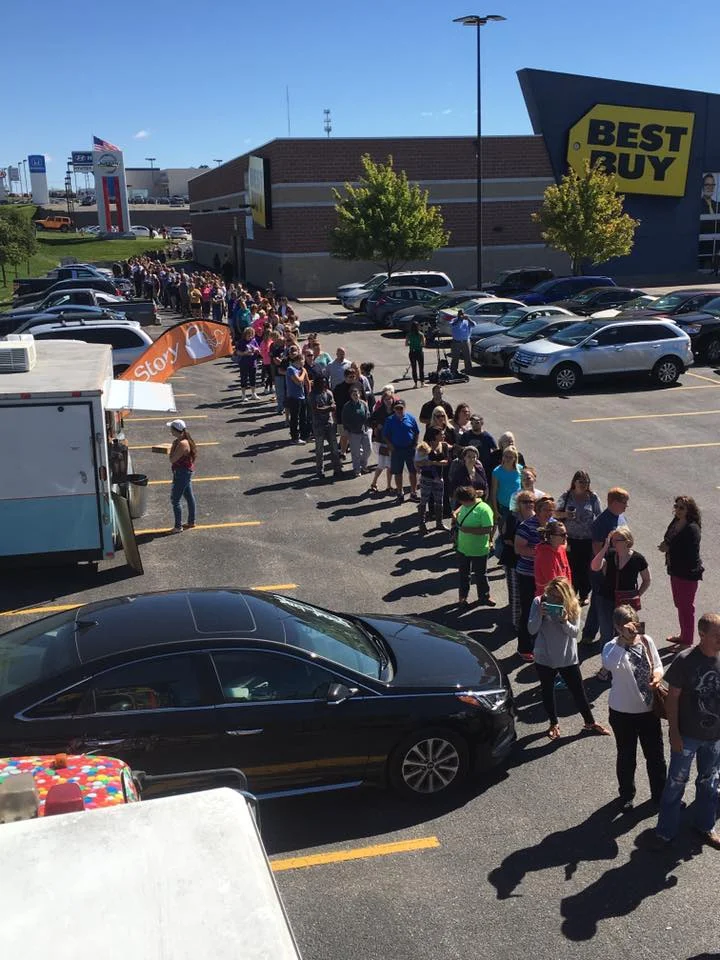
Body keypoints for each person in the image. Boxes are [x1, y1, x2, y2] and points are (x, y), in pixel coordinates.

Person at [650, 613, 720, 851]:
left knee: (710, 782)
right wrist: (674, 732)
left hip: (715, 738)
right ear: (702, 635)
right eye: (717, 635)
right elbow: (672, 699)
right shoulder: (685, 659)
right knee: (676, 783)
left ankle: (705, 825)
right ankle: (665, 831)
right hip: (688, 735)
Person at [602, 606, 666, 811]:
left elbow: (657, 664)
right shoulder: (612, 647)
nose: (632, 632)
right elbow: (609, 664)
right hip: (622, 714)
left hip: (648, 712)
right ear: (617, 627)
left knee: (655, 756)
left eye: (634, 626)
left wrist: (657, 677)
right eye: (626, 627)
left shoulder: (647, 641)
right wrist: (623, 641)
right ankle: (627, 795)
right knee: (627, 756)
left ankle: (660, 794)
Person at [529, 577, 610, 740]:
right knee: (547, 690)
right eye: (550, 595)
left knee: (578, 691)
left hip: (567, 657)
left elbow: (574, 633)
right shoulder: (538, 602)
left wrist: (564, 621)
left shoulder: (573, 605)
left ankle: (590, 722)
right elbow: (531, 629)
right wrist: (540, 615)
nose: (553, 600)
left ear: (565, 597)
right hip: (544, 656)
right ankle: (553, 723)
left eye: (558, 598)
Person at [582, 487, 630, 644]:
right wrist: (604, 567)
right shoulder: (601, 522)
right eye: (624, 502)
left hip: (617, 567)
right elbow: (596, 547)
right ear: (614, 502)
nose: (626, 506)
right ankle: (589, 633)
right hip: (602, 569)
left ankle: (602, 632)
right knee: (599, 599)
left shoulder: (621, 518)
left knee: (604, 600)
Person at [590, 525, 650, 649]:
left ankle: (621, 663)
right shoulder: (610, 554)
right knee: (606, 634)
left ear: (627, 542)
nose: (613, 543)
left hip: (626, 604)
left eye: (616, 540)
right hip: (605, 598)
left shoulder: (638, 559)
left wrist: (638, 594)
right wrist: (605, 547)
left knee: (625, 634)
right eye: (612, 540)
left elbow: (647, 579)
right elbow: (595, 567)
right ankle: (607, 665)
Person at [659, 496, 704, 649]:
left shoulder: (692, 528)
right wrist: (666, 544)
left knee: (686, 607)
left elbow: (689, 553)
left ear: (689, 510)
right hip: (675, 571)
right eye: (676, 506)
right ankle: (683, 635)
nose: (677, 510)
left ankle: (687, 641)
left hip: (687, 574)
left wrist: (669, 547)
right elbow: (669, 537)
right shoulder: (676, 522)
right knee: (680, 604)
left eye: (681, 508)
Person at [515, 496, 556, 662]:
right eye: (546, 510)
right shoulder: (526, 526)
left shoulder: (553, 525)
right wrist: (541, 551)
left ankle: (540, 644)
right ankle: (524, 647)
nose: (549, 513)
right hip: (528, 575)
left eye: (551, 510)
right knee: (528, 610)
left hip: (548, 576)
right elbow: (519, 548)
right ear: (537, 510)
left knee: (546, 611)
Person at [555, 471, 602, 606]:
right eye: (580, 481)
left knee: (586, 567)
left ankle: (584, 594)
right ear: (574, 482)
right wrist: (565, 514)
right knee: (571, 566)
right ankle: (571, 592)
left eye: (586, 482)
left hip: (587, 539)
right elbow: (555, 513)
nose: (583, 484)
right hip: (570, 539)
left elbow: (599, 516)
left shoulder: (593, 497)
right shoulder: (567, 496)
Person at [453, 486, 495, 607]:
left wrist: (468, 530)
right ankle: (462, 597)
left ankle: (484, 596)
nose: (460, 504)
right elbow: (457, 510)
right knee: (463, 574)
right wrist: (455, 515)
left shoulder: (484, 509)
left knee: (481, 574)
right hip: (462, 548)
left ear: (466, 500)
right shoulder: (464, 506)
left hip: (479, 549)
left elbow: (488, 529)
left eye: (461, 501)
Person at [502, 492, 535, 632]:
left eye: (531, 501)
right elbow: (507, 539)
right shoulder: (512, 518)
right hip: (513, 561)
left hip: (531, 562)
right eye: (524, 501)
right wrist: (522, 545)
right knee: (516, 594)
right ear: (518, 503)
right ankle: (517, 623)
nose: (528, 504)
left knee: (529, 594)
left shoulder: (536, 518)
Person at [382, 399, 420, 503]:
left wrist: (415, 444)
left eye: (401, 408)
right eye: (397, 408)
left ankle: (413, 493)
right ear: (394, 409)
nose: (399, 410)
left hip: (409, 449)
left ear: (404, 408)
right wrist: (390, 445)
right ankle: (400, 492)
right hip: (397, 450)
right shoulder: (389, 420)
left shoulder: (410, 418)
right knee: (398, 473)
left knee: (413, 472)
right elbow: (385, 435)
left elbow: (416, 432)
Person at [415, 428, 450, 534]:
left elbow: (446, 461)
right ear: (434, 436)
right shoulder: (425, 446)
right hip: (426, 478)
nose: (443, 435)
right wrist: (431, 463)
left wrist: (433, 463)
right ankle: (422, 524)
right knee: (424, 500)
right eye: (441, 434)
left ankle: (439, 523)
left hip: (439, 477)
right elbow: (418, 463)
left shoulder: (444, 446)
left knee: (439, 501)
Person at [167, 419, 197, 533]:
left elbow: (172, 459)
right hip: (185, 472)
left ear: (175, 430)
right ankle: (191, 521)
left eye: (171, 428)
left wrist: (172, 448)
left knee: (175, 500)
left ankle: (178, 526)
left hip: (182, 473)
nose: (170, 430)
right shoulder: (181, 441)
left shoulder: (182, 444)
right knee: (189, 496)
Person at [309, 376, 342, 479]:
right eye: (321, 383)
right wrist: (329, 408)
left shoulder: (328, 393)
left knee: (334, 448)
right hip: (318, 424)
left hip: (329, 424)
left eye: (324, 382)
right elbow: (316, 409)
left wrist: (327, 408)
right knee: (319, 449)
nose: (323, 385)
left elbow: (334, 406)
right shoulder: (312, 395)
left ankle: (337, 469)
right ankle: (319, 471)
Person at [368, 386, 397, 495]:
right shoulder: (380, 411)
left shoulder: (396, 409)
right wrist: (377, 425)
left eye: (390, 399)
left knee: (390, 465)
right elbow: (370, 421)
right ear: (383, 401)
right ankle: (374, 483)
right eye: (386, 399)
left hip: (393, 441)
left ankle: (389, 485)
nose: (389, 401)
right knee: (381, 464)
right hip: (383, 441)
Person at [534, 522, 572, 596]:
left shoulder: (560, 548)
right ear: (551, 536)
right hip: (550, 598)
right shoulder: (545, 555)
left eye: (566, 533)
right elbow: (552, 582)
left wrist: (569, 590)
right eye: (562, 535)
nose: (566, 536)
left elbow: (568, 571)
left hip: (563, 593)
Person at [342, 386, 372, 477]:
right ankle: (357, 469)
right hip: (353, 432)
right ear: (350, 395)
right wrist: (347, 429)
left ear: (360, 394)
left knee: (368, 449)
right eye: (354, 394)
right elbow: (344, 419)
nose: (356, 396)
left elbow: (368, 414)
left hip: (364, 430)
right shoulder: (347, 406)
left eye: (357, 394)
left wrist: (368, 425)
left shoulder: (363, 404)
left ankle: (363, 465)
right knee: (355, 452)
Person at [491, 445, 522, 526]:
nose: (507, 459)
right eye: (506, 456)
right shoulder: (497, 471)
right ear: (503, 457)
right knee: (503, 531)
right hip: (503, 507)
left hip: (517, 507)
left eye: (510, 457)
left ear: (515, 458)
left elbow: (524, 487)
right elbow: (493, 492)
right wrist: (495, 510)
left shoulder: (520, 470)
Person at [285, 346, 310, 445]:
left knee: (303, 417)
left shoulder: (300, 369)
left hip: (302, 396)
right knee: (295, 418)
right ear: (299, 360)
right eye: (303, 360)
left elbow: (306, 381)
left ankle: (304, 435)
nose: (304, 363)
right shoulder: (291, 369)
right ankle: (294, 437)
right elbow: (298, 381)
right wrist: (303, 372)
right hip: (294, 397)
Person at [460, 414, 497, 479]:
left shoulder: (487, 437)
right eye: (472, 423)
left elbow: (495, 450)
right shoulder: (466, 435)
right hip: (468, 468)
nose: (474, 425)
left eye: (477, 423)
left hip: (483, 469)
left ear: (482, 423)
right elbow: (460, 449)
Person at [235, 326, 261, 402]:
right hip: (244, 363)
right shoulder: (241, 342)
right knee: (244, 378)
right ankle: (243, 395)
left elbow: (259, 349)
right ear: (245, 334)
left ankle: (253, 394)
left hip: (253, 363)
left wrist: (256, 350)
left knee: (253, 378)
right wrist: (244, 353)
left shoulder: (254, 341)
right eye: (249, 334)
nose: (250, 335)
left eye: (252, 334)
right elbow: (237, 352)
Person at [449, 309, 472, 376]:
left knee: (467, 357)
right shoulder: (454, 320)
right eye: (460, 314)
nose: (461, 315)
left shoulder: (467, 321)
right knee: (455, 357)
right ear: (457, 314)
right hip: (456, 342)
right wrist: (459, 319)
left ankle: (468, 370)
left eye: (462, 314)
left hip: (465, 341)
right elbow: (453, 325)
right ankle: (453, 370)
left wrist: (468, 319)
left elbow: (474, 325)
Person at [406, 320, 426, 387]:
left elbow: (406, 343)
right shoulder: (421, 334)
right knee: (421, 368)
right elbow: (423, 344)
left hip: (412, 352)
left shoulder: (409, 334)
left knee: (414, 368)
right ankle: (422, 383)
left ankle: (415, 383)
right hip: (419, 352)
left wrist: (411, 344)